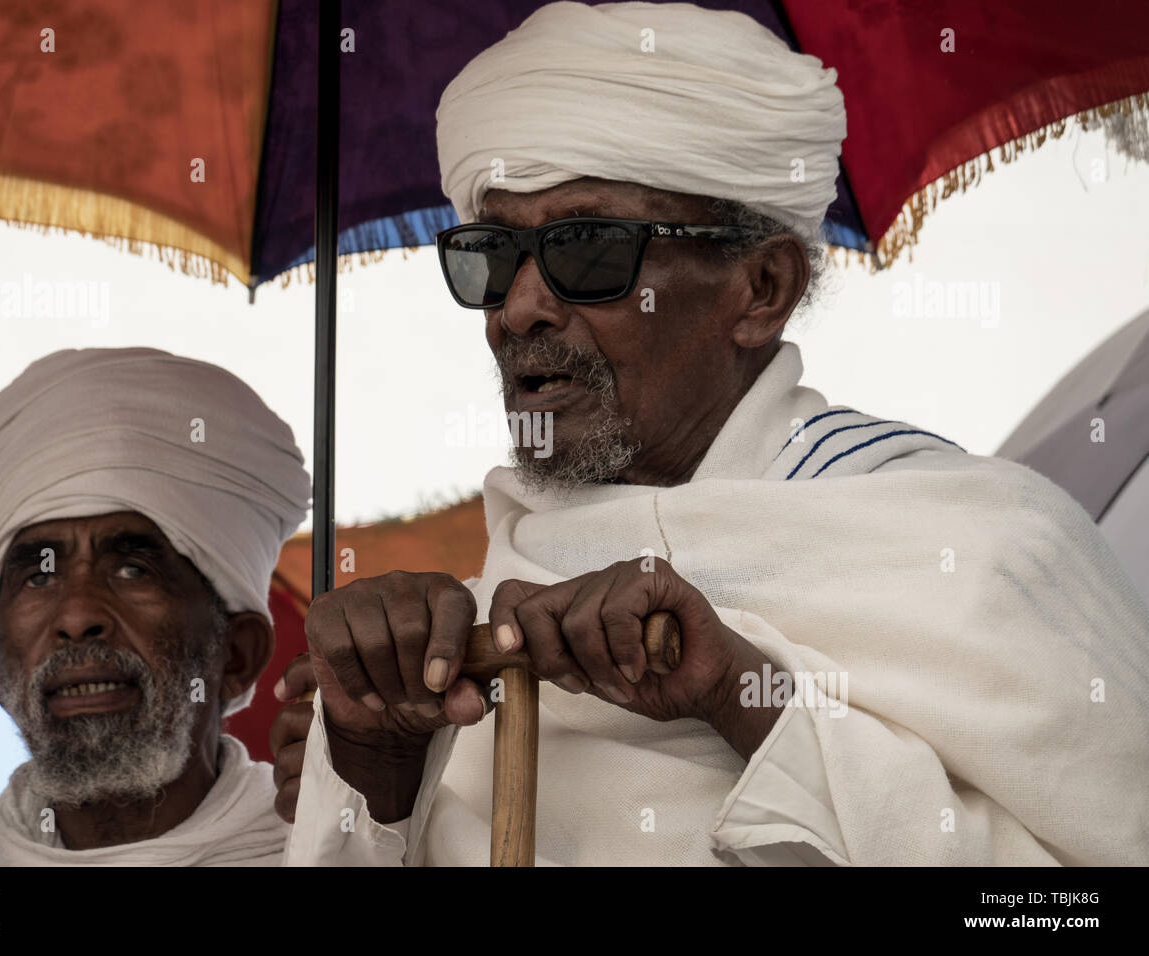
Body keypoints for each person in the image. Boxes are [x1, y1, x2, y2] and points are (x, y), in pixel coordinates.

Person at [278, 1, 1149, 866]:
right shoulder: (474, 624)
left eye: (587, 251)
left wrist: (741, 694)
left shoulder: (980, 549)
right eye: (491, 256)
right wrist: (376, 770)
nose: (520, 308)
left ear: (761, 288)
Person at [0, 347, 310, 865]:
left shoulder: (341, 851)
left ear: (237, 654)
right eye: (39, 577)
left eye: (132, 571)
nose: (78, 617)